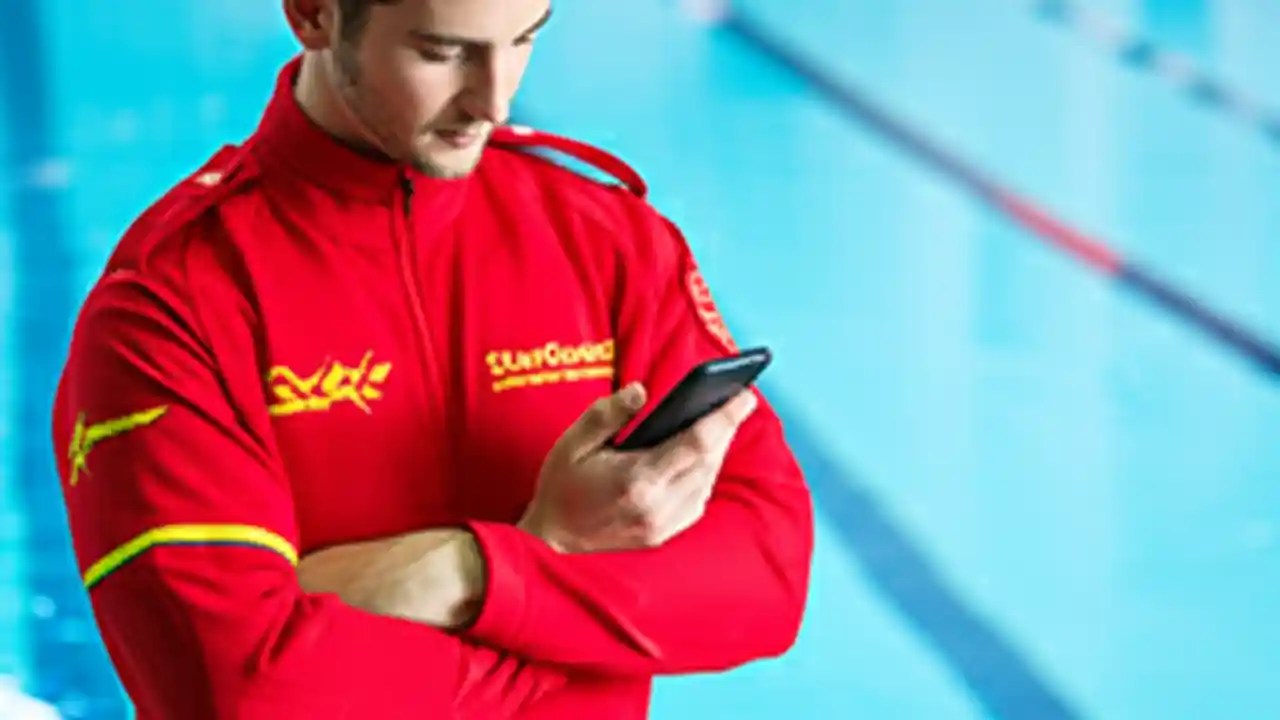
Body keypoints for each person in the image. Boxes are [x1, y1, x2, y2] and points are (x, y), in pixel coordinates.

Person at [50, 0, 815, 717]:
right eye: (443, 51)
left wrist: (473, 573)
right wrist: (563, 585)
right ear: (313, 13)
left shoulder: (604, 242)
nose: (496, 102)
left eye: (525, 38)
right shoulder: (171, 306)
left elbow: (767, 574)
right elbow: (237, 692)